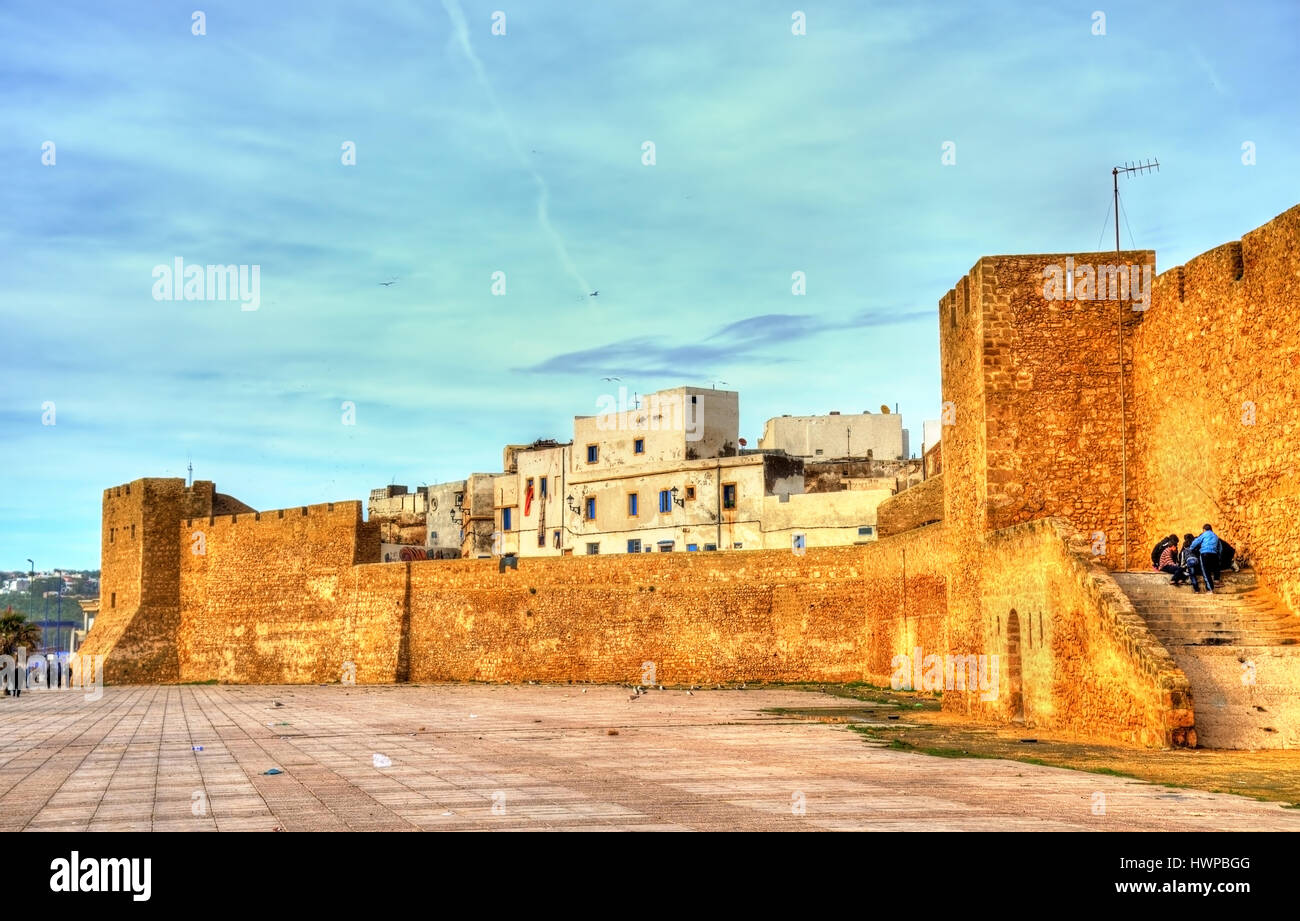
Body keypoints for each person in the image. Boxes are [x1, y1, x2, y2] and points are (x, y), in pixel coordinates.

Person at [1188, 524, 1222, 593]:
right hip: (1214, 554)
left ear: (1204, 530)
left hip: (1205, 554)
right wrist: (1218, 556)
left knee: (1206, 572)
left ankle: (1210, 589)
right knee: (1214, 567)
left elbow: (1196, 542)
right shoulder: (1215, 536)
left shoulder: (1204, 534)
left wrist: (1191, 548)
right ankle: (1216, 580)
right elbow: (1220, 548)